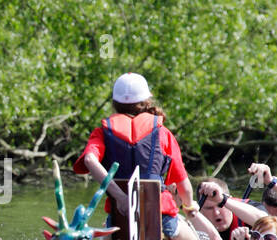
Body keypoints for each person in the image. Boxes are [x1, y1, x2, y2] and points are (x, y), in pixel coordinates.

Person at [74, 73, 195, 224]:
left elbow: (89, 159)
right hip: (159, 213)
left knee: (109, 239)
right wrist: (189, 206)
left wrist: (120, 197)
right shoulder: (163, 133)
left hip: (120, 214)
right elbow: (184, 186)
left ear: (114, 103)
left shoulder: (102, 133)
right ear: (147, 102)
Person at [197, 178, 266, 240]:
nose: (216, 212)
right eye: (209, 208)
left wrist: (223, 200)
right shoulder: (194, 225)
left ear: (230, 199)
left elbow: (267, 221)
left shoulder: (248, 208)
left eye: (220, 205)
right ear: (200, 211)